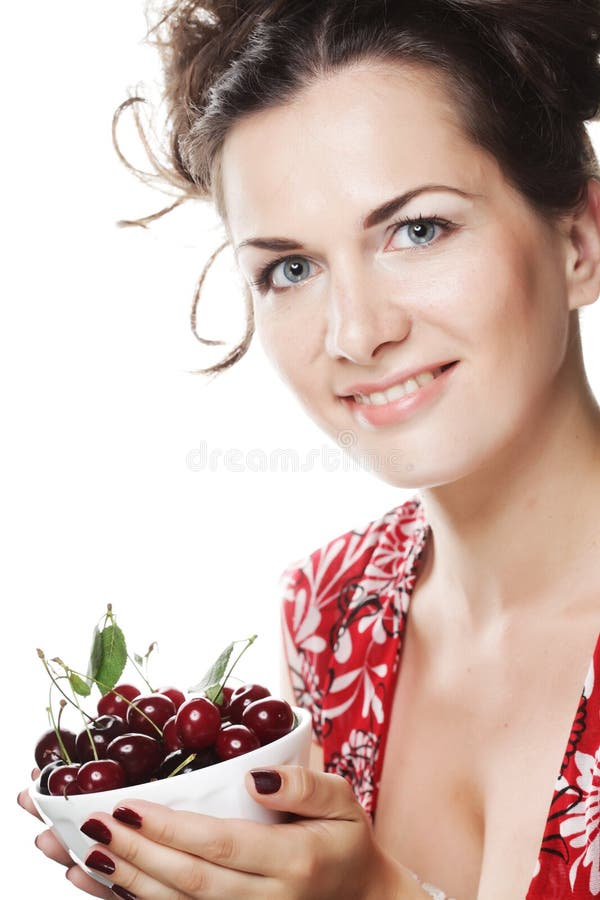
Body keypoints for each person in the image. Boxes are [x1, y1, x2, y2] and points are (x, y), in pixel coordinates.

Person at [18, 0, 600, 897]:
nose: (357, 333)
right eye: (291, 269)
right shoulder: (328, 614)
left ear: (579, 240)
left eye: (418, 229)